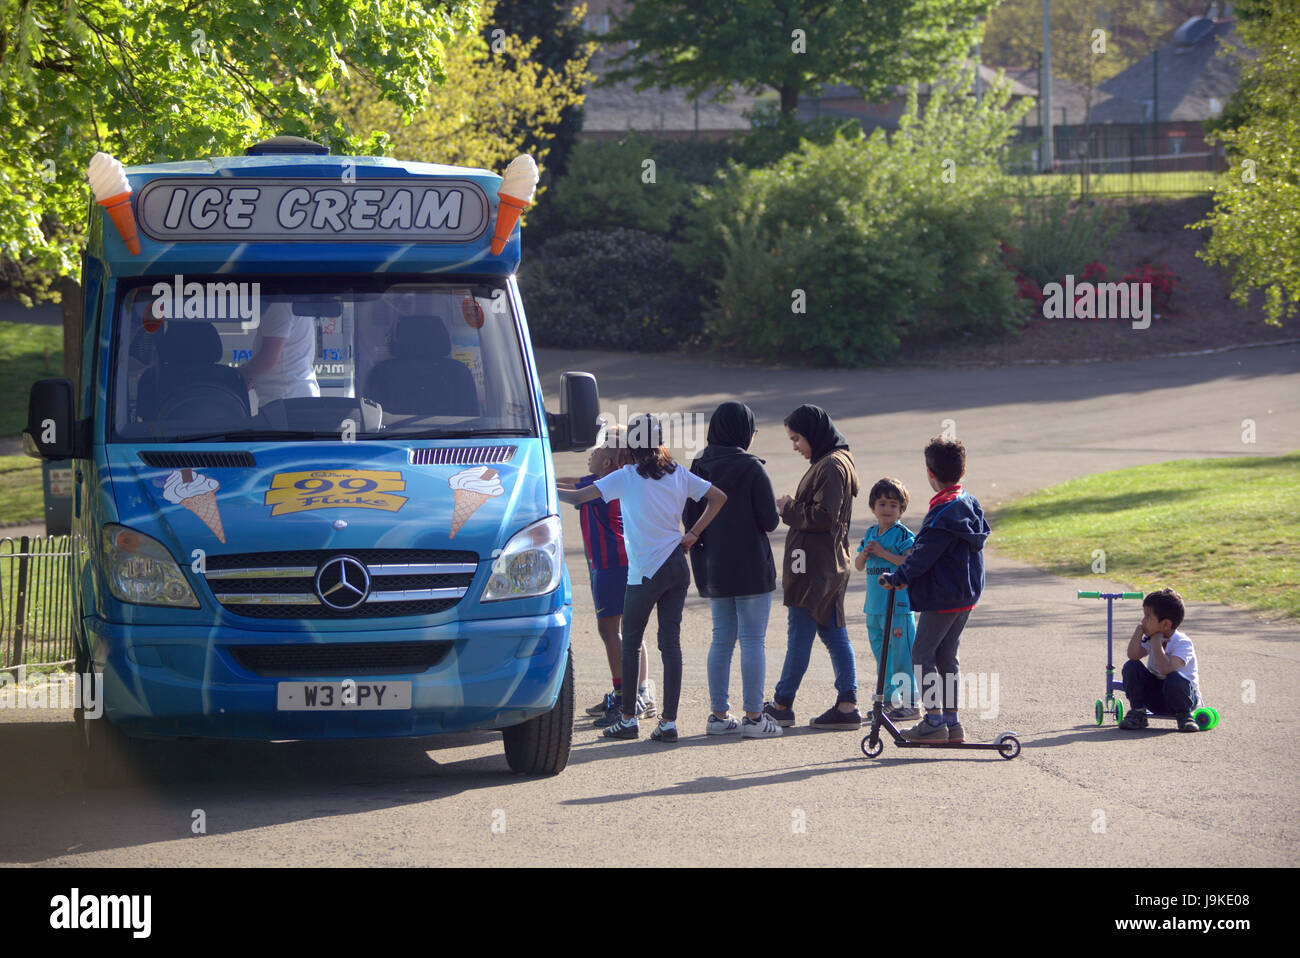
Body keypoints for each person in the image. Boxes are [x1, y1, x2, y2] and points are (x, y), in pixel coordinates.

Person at [559, 414, 727, 742]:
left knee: (631, 642)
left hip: (645, 569)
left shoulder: (628, 475)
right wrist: (692, 533)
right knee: (670, 644)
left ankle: (627, 719)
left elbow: (579, 497)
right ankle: (668, 722)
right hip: (677, 566)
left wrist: (541, 486)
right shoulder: (678, 472)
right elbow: (718, 498)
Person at [878, 437, 990, 743]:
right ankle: (952, 723)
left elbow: (924, 553)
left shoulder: (943, 512)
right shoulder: (968, 503)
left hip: (944, 596)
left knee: (922, 653)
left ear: (930, 473)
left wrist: (898, 577)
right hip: (965, 594)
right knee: (946, 656)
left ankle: (934, 721)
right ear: (962, 471)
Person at [683, 401, 783, 739]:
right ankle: (754, 717)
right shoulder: (752, 468)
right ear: (744, 433)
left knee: (721, 639)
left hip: (713, 565)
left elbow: (689, 517)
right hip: (752, 566)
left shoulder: (699, 465)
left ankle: (718, 714)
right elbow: (769, 521)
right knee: (752, 639)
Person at [763, 404, 862, 731]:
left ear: (813, 434)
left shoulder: (831, 466)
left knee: (800, 633)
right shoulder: (836, 460)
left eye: (796, 438)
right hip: (829, 562)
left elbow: (823, 516)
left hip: (815, 566)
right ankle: (847, 704)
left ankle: (782, 704)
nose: (794, 446)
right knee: (833, 633)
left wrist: (788, 507)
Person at [555, 425, 657, 726]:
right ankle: (639, 691)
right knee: (629, 630)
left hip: (611, 565)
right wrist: (542, 477)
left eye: (598, 450)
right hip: (624, 563)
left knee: (609, 629)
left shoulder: (602, 487)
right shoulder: (608, 480)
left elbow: (572, 494)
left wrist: (536, 487)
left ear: (609, 463)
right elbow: (572, 482)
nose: (592, 452)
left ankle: (623, 694)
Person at [853, 477, 919, 720]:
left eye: (893, 505)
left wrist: (884, 553)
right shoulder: (870, 533)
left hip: (899, 606)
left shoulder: (902, 535)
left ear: (901, 510)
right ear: (873, 507)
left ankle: (911, 701)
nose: (887, 509)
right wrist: (866, 554)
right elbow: (859, 565)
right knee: (883, 657)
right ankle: (890, 700)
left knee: (902, 656)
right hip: (874, 608)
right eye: (882, 504)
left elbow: (911, 563)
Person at [1118, 588, 1201, 732]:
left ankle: (1185, 717)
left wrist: (1157, 644)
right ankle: (1138, 712)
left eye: (1148, 617)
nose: (1143, 621)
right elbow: (1133, 655)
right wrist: (1139, 631)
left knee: (1174, 677)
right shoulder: (1150, 637)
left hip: (1183, 699)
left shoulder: (1182, 642)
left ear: (1166, 625)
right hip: (1156, 699)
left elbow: (1166, 669)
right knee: (1131, 666)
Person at [238, 300, 320, 404]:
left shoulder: (279, 305)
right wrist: (253, 376)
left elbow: (268, 359)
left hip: (286, 399)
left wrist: (238, 375)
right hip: (293, 395)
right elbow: (286, 357)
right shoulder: (291, 303)